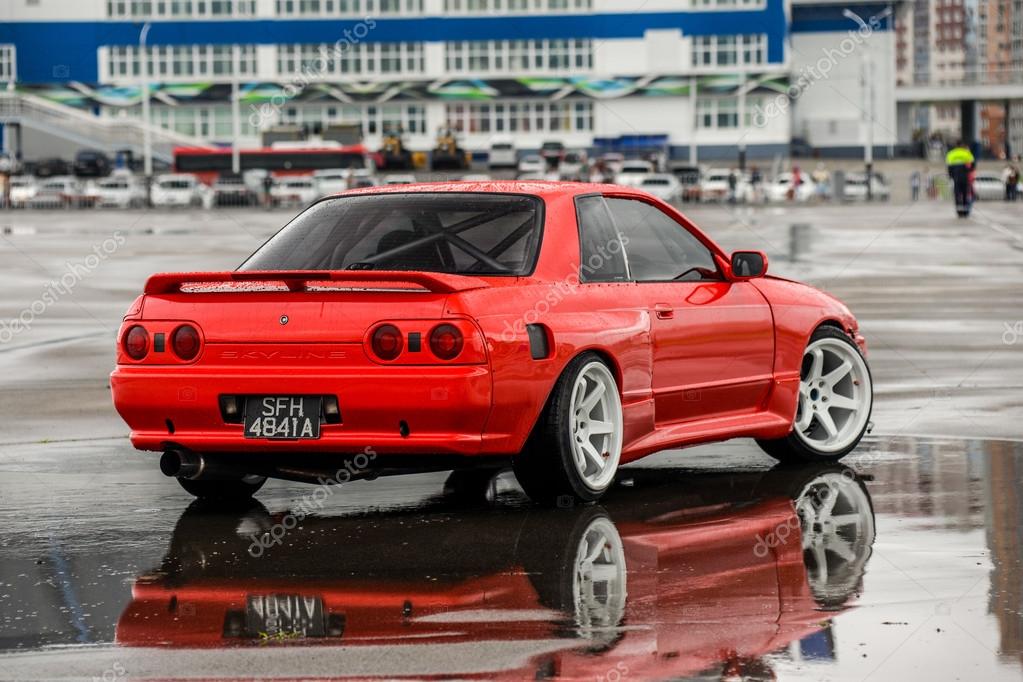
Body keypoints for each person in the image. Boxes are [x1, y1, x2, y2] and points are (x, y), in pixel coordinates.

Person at [946, 140, 975, 217]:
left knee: (957, 194)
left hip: (956, 177)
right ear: (962, 145)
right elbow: (972, 166)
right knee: (965, 193)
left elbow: (949, 167)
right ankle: (965, 212)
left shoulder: (951, 154)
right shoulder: (966, 153)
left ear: (956, 145)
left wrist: (951, 176)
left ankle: (959, 211)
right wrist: (969, 172)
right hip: (965, 176)